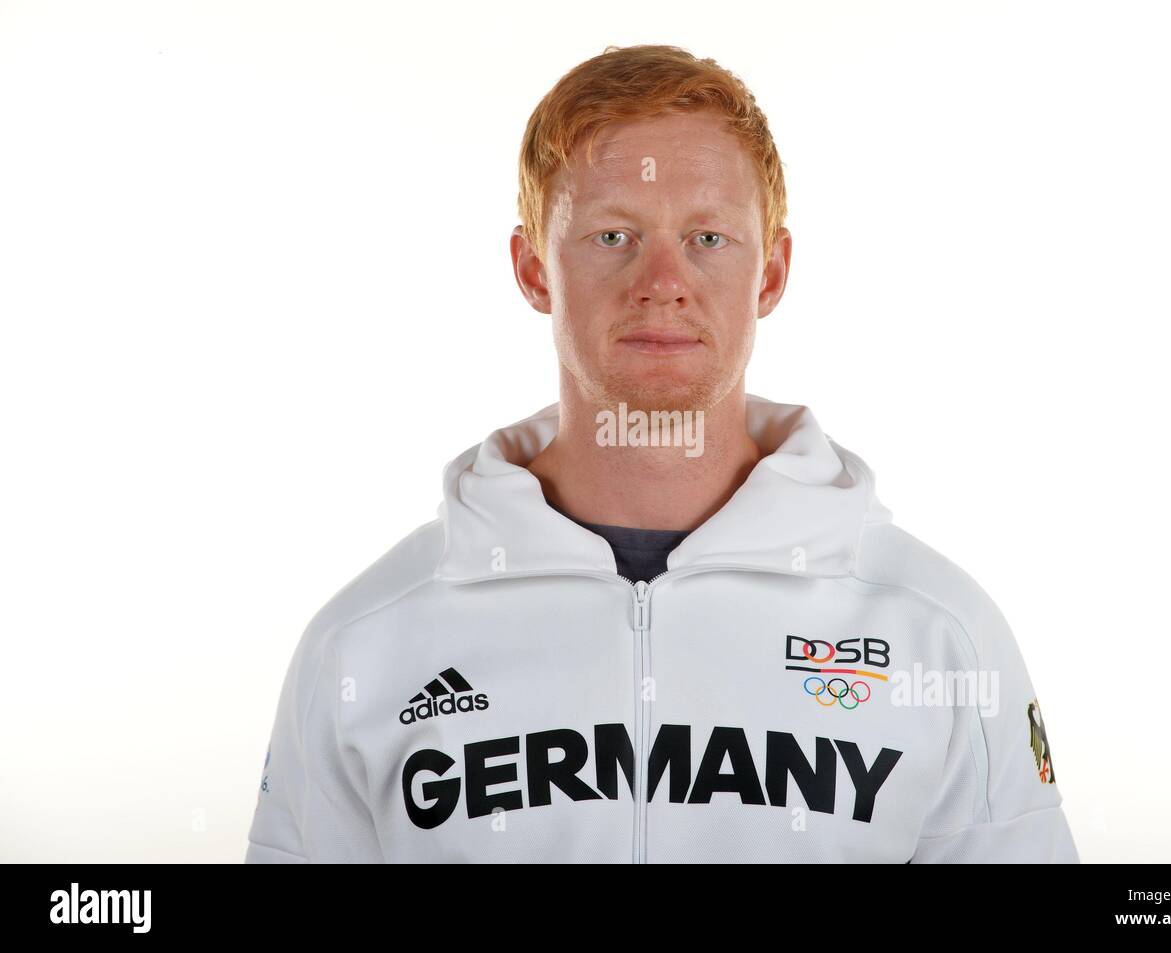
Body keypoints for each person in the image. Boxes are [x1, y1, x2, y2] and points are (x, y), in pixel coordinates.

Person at [244, 44, 1080, 863]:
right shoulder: (367, 645)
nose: (663, 281)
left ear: (773, 272)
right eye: (612, 235)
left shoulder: (936, 632)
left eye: (710, 237)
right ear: (534, 268)